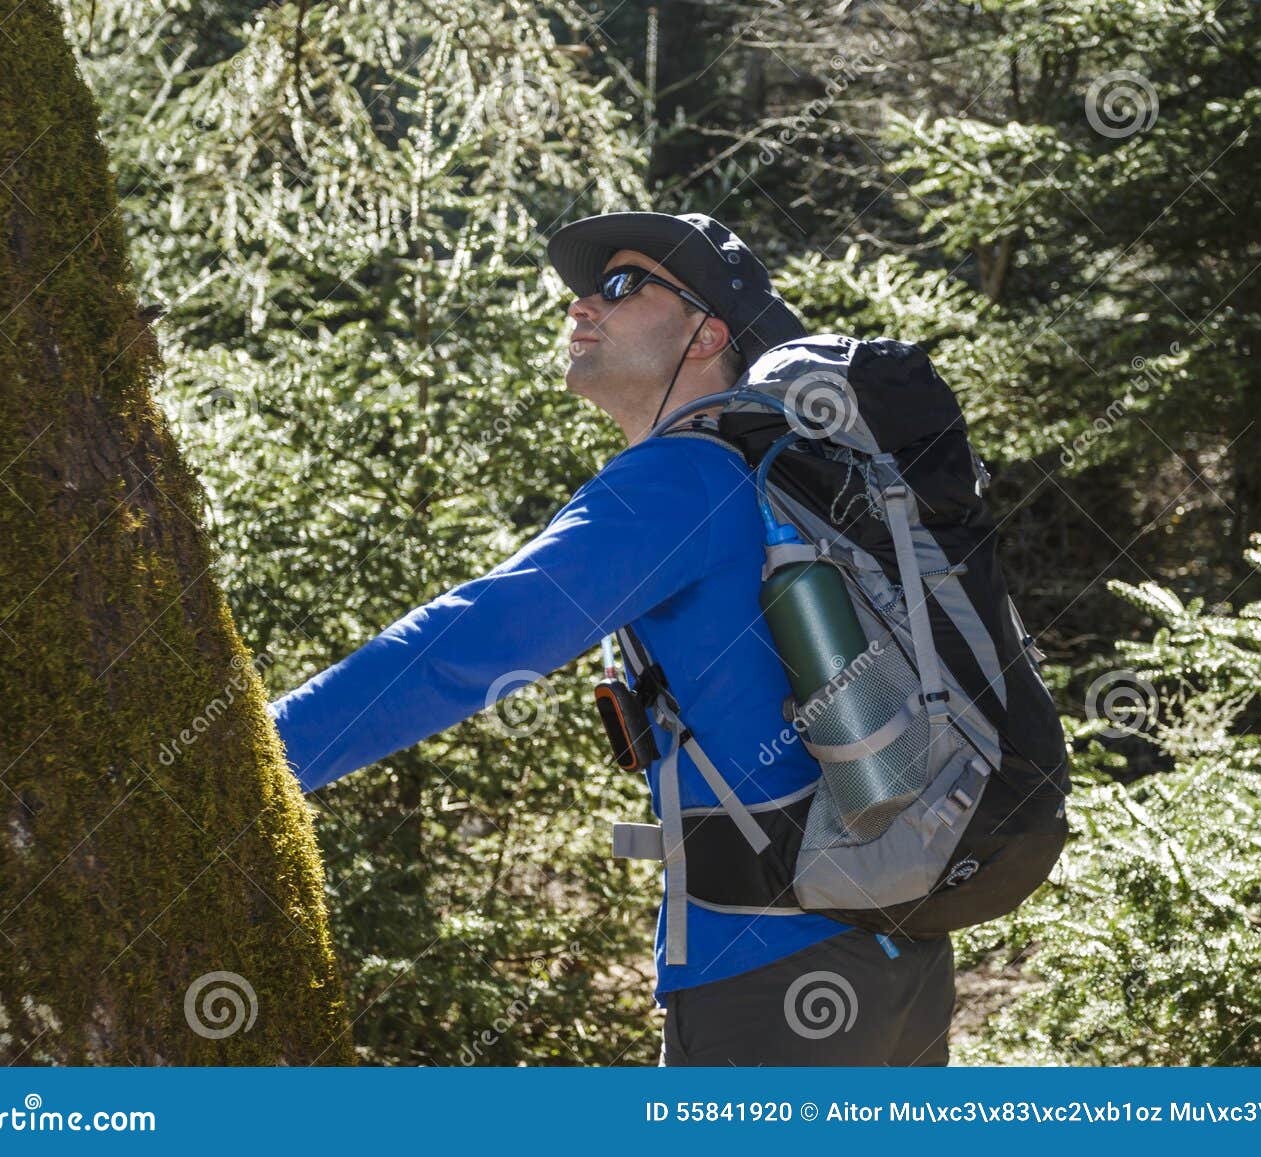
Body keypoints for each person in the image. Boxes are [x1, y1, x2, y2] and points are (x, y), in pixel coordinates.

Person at [269, 211, 956, 1066]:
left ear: (709, 332)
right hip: (902, 953)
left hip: (769, 972)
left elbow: (472, 640)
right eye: (584, 290)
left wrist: (259, 756)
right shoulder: (786, 475)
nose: (582, 306)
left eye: (624, 287)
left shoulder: (682, 477)